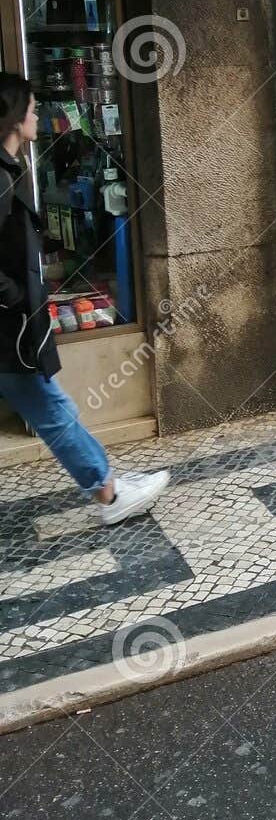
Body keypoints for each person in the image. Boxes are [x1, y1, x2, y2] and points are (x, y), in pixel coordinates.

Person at [0, 71, 169, 526]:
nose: (37, 115)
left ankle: (107, 481)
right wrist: (15, 297)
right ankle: (110, 494)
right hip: (7, 329)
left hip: (13, 327)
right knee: (51, 408)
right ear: (15, 118)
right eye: (32, 109)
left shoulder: (7, 168)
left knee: (51, 404)